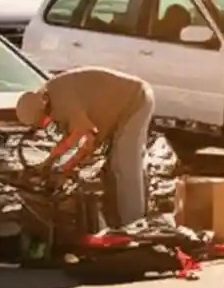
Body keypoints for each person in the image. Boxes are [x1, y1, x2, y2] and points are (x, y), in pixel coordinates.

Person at [14, 67, 154, 229]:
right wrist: (60, 165)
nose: (44, 125)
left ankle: (134, 228)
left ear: (42, 109)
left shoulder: (62, 100)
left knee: (124, 166)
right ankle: (132, 213)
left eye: (41, 122)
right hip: (127, 103)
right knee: (120, 165)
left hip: (135, 101)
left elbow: (74, 139)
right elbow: (87, 141)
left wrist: (55, 165)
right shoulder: (50, 95)